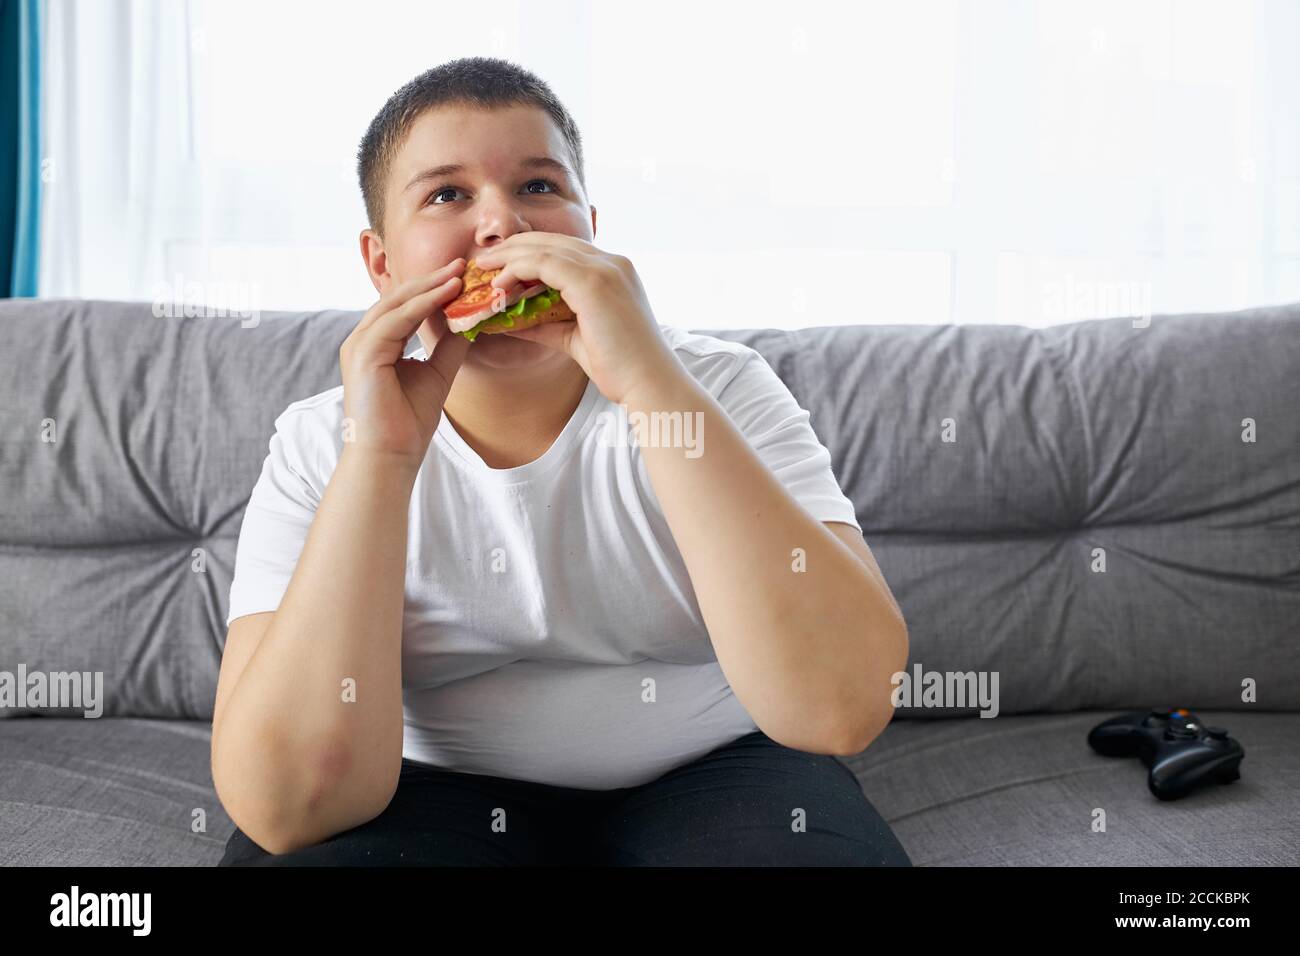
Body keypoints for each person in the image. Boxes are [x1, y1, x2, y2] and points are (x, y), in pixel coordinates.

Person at [212, 56, 911, 867]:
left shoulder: (721, 388)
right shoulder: (320, 441)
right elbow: (288, 807)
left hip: (720, 768)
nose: (503, 225)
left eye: (540, 187)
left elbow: (842, 709)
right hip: (426, 787)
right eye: (447, 194)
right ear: (381, 264)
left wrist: (651, 383)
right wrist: (382, 457)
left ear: (590, 230)